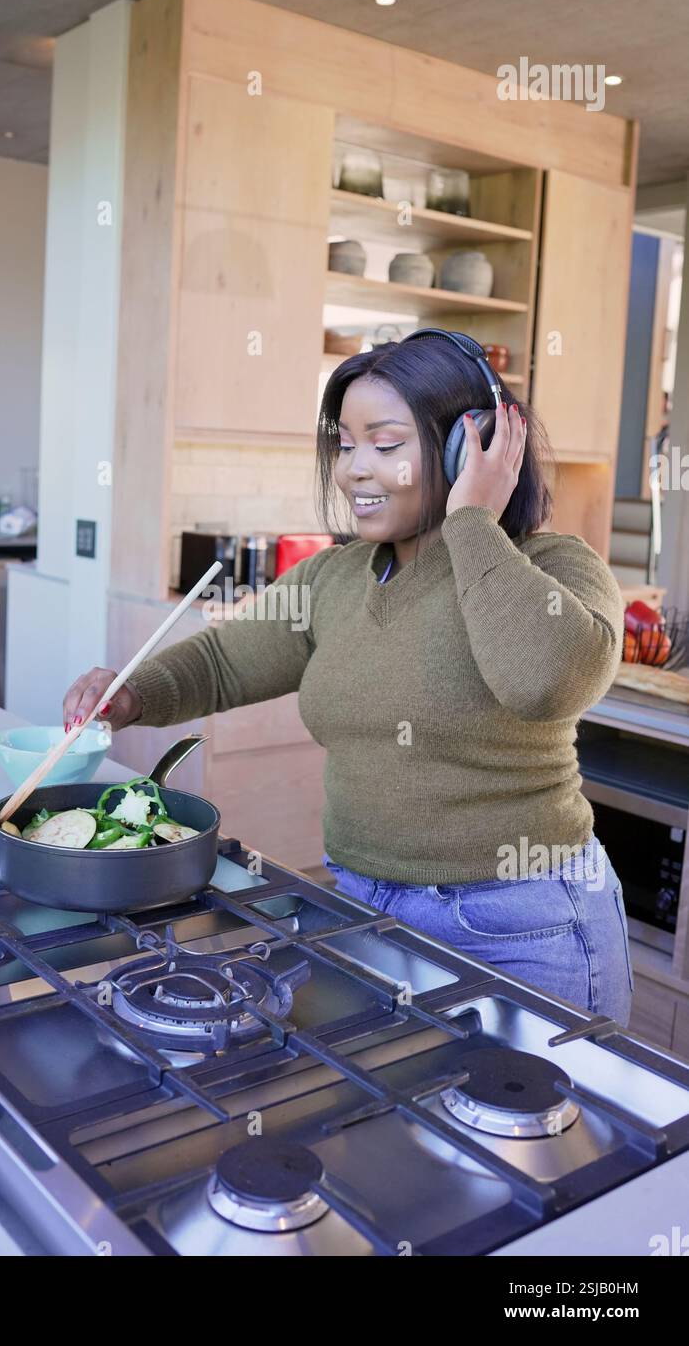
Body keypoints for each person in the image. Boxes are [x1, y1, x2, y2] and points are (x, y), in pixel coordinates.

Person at [63, 334, 633, 1024]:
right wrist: (131, 693)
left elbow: (543, 681)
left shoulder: (555, 567)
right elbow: (220, 662)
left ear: (470, 447)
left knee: (528, 1129)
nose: (354, 469)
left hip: (522, 922)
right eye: (345, 444)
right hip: (363, 904)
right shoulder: (334, 578)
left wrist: (474, 518)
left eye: (386, 444)